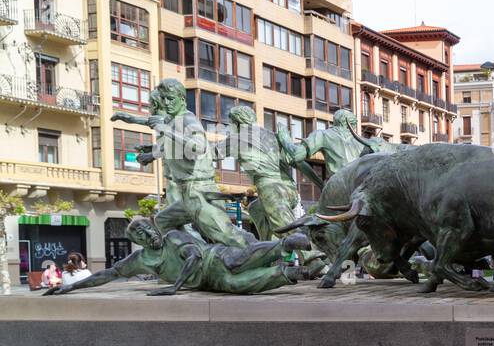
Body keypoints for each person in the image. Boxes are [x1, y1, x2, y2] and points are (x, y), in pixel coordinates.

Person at [111, 78, 249, 249]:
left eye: (170, 99)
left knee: (230, 238)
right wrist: (131, 121)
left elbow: (199, 146)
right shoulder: (172, 120)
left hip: (200, 192)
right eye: (163, 100)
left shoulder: (187, 120)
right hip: (187, 193)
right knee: (162, 221)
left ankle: (274, 257)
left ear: (182, 100)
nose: (166, 103)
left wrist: (164, 134)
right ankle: (199, 255)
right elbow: (155, 124)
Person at [46, 218, 307, 297]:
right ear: (137, 242)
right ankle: (289, 274)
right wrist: (70, 287)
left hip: (212, 260)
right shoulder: (139, 260)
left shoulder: (172, 236)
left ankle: (284, 244)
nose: (149, 235)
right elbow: (107, 274)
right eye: (142, 236)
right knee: (237, 285)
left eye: (149, 229)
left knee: (236, 261)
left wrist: (175, 287)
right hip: (208, 283)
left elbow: (193, 256)